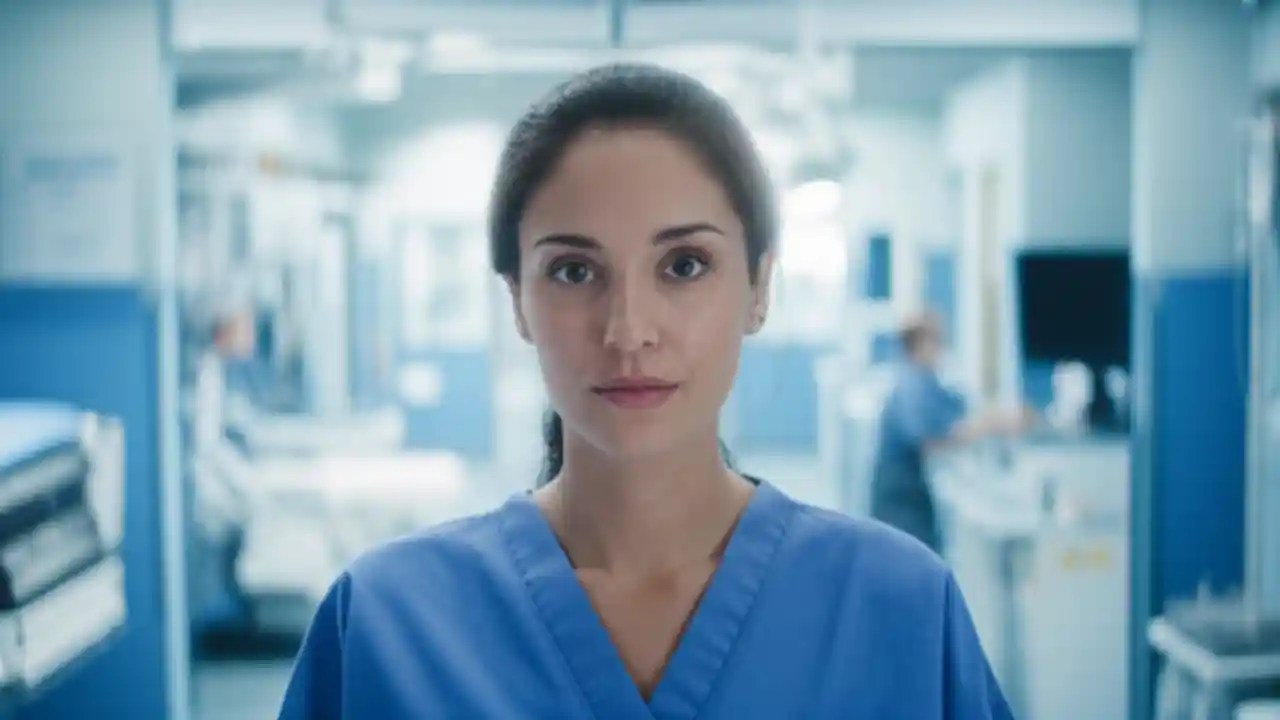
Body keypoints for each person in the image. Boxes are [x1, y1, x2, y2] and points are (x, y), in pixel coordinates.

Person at [279, 64, 1012, 719]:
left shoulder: (898, 611)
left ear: (759, 288)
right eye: (573, 271)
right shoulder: (388, 625)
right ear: (516, 302)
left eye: (685, 265)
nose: (629, 331)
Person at [871, 312, 1031, 554]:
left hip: (914, 498)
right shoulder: (911, 386)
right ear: (920, 343)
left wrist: (999, 416)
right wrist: (991, 426)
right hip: (901, 502)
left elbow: (959, 408)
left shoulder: (926, 380)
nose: (942, 348)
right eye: (937, 340)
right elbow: (932, 439)